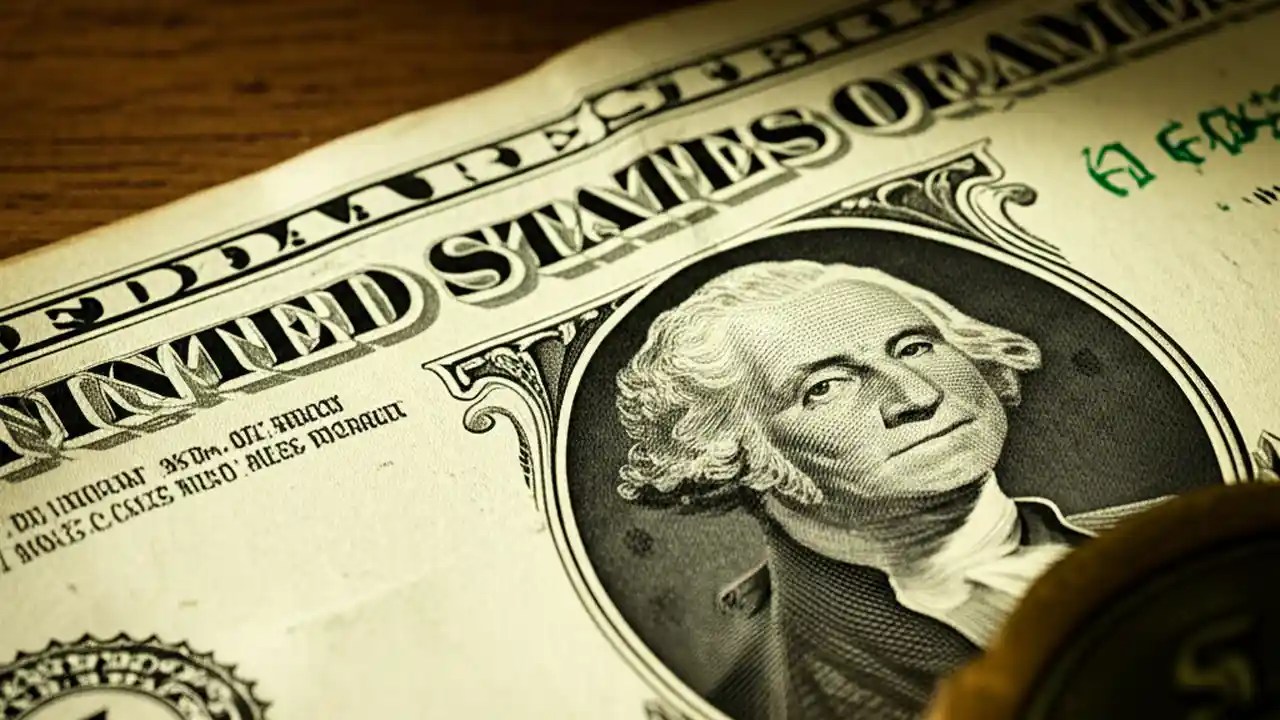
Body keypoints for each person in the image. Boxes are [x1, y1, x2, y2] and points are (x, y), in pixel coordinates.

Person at [613, 260, 1167, 720]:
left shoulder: (1176, 529)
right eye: (826, 387)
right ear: (734, 452)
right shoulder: (782, 703)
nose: (915, 395)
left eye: (915, 348)